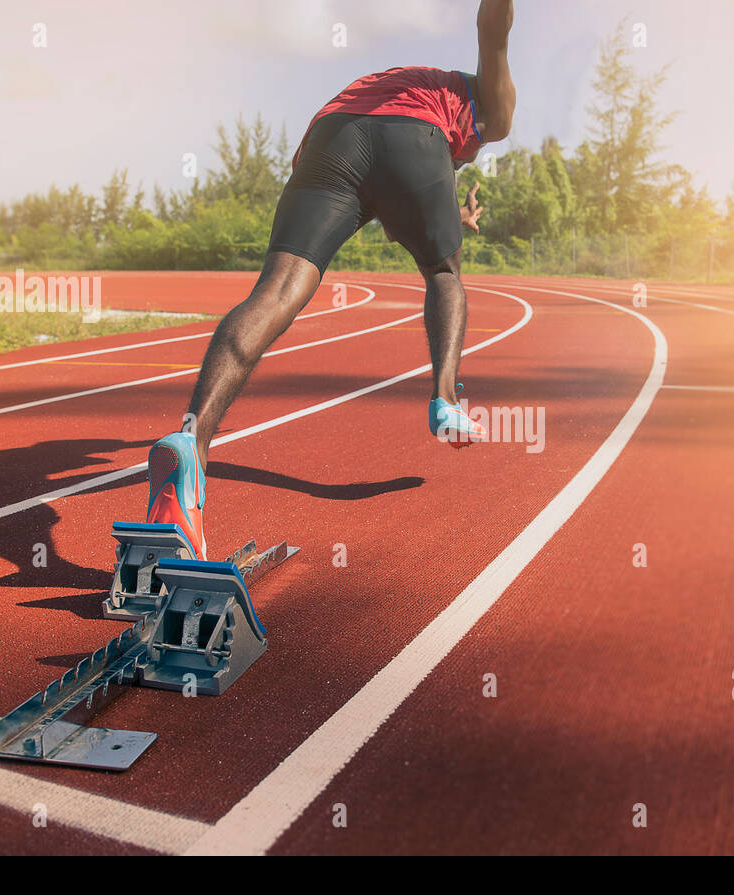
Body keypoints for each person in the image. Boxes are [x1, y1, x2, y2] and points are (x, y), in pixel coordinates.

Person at [144, 1, 516, 560]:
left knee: (275, 292)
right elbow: (493, 29)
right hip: (411, 139)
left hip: (330, 136)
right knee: (443, 272)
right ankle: (444, 399)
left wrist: (449, 214)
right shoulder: (494, 111)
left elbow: (392, 189)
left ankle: (190, 443)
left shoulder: (403, 85)